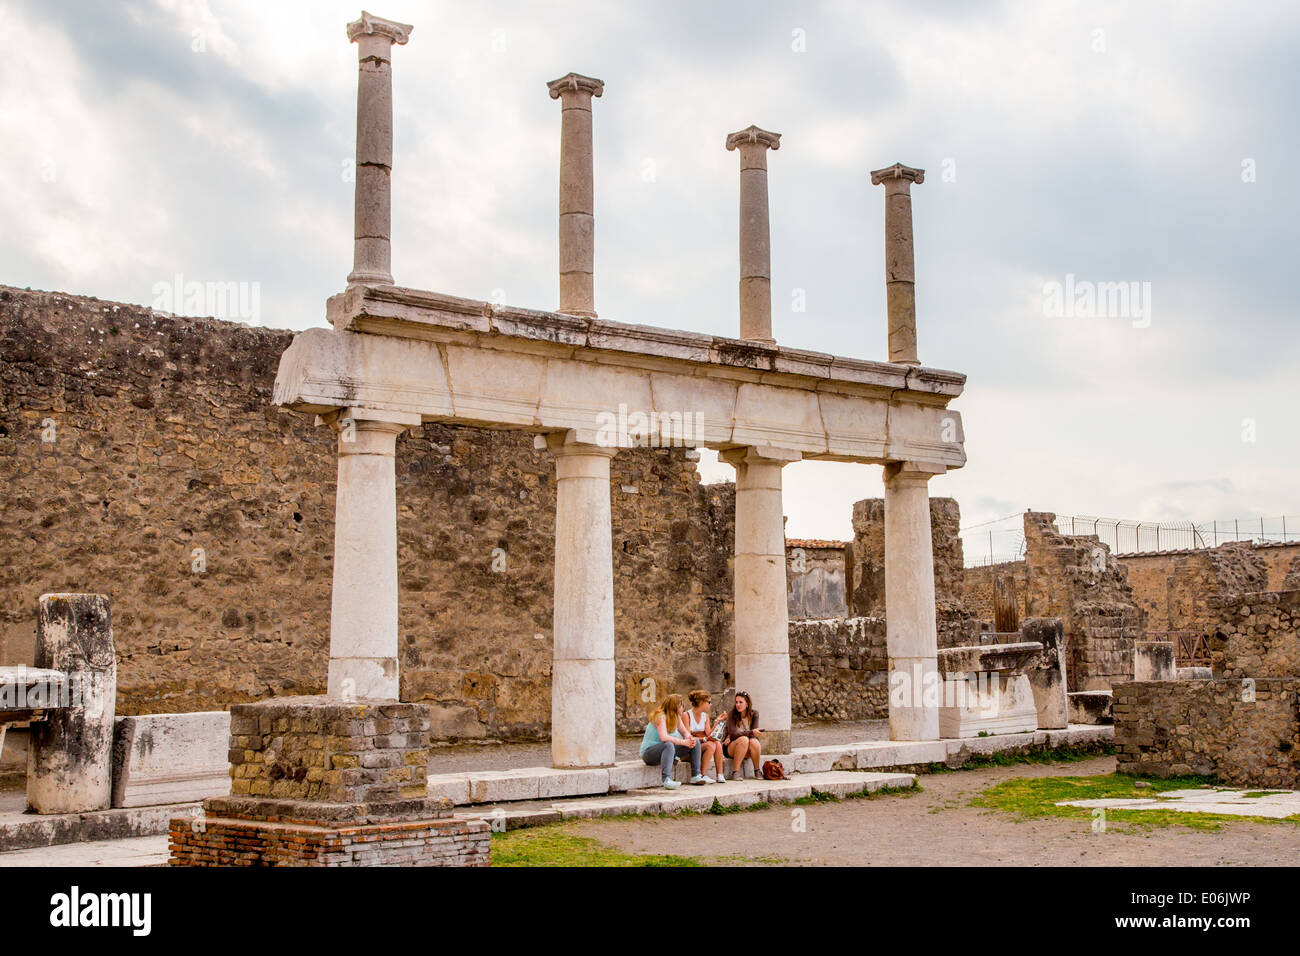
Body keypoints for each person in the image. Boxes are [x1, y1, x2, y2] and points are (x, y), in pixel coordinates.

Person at [640, 693, 708, 789]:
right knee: (668, 744)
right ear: (675, 706)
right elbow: (664, 738)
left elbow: (685, 732)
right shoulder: (660, 717)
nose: (683, 707)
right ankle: (666, 779)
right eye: (681, 705)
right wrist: (683, 742)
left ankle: (696, 775)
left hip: (668, 750)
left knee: (696, 741)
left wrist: (690, 739)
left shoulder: (677, 717)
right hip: (649, 754)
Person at [684, 689, 725, 784]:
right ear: (701, 702)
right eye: (709, 702)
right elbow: (688, 738)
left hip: (699, 746)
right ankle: (702, 774)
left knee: (717, 743)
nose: (710, 705)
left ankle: (720, 774)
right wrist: (705, 739)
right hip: (688, 749)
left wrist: (717, 721)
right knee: (711, 745)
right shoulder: (686, 715)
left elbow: (708, 734)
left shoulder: (705, 716)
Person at [720, 690, 762, 780]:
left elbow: (754, 736)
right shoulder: (731, 714)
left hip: (746, 748)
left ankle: (757, 770)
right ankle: (735, 772)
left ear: (747, 704)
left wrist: (750, 734)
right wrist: (750, 732)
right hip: (730, 748)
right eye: (736, 702)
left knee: (754, 742)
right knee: (744, 739)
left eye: (740, 702)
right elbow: (734, 734)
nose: (738, 704)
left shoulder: (754, 714)